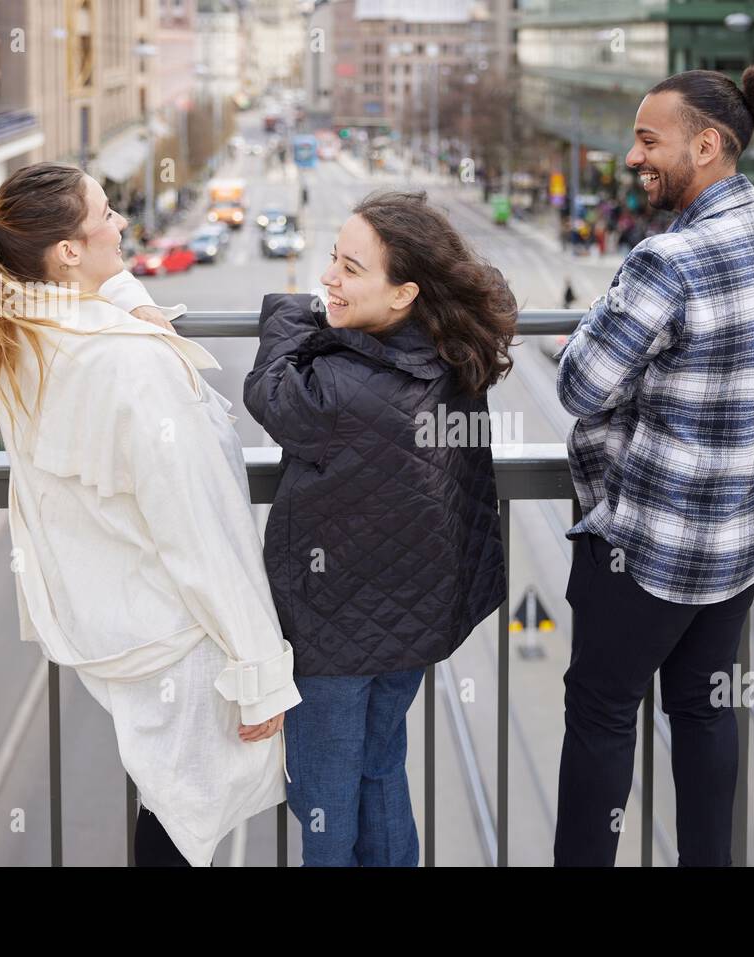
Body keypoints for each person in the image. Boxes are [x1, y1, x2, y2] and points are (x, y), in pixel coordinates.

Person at [0, 162, 300, 867]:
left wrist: (127, 300)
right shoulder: (129, 366)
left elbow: (85, 307)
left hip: (107, 620)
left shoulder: (18, 338)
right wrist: (260, 671)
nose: (122, 223)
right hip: (178, 631)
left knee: (165, 805)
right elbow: (201, 530)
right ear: (69, 251)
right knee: (184, 818)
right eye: (107, 213)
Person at [554, 65, 754, 866]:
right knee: (704, 706)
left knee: (603, 714)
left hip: (655, 544)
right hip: (748, 535)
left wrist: (616, 310)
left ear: (706, 145)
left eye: (649, 140)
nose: (633, 155)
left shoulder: (664, 263)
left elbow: (581, 383)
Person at [244, 190, 514, 866]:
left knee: (322, 798)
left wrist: (291, 312)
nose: (329, 277)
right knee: (379, 767)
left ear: (404, 295)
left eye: (351, 269)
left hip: (333, 635)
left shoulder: (334, 384)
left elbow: (268, 390)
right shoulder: (454, 353)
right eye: (333, 259)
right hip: (415, 620)